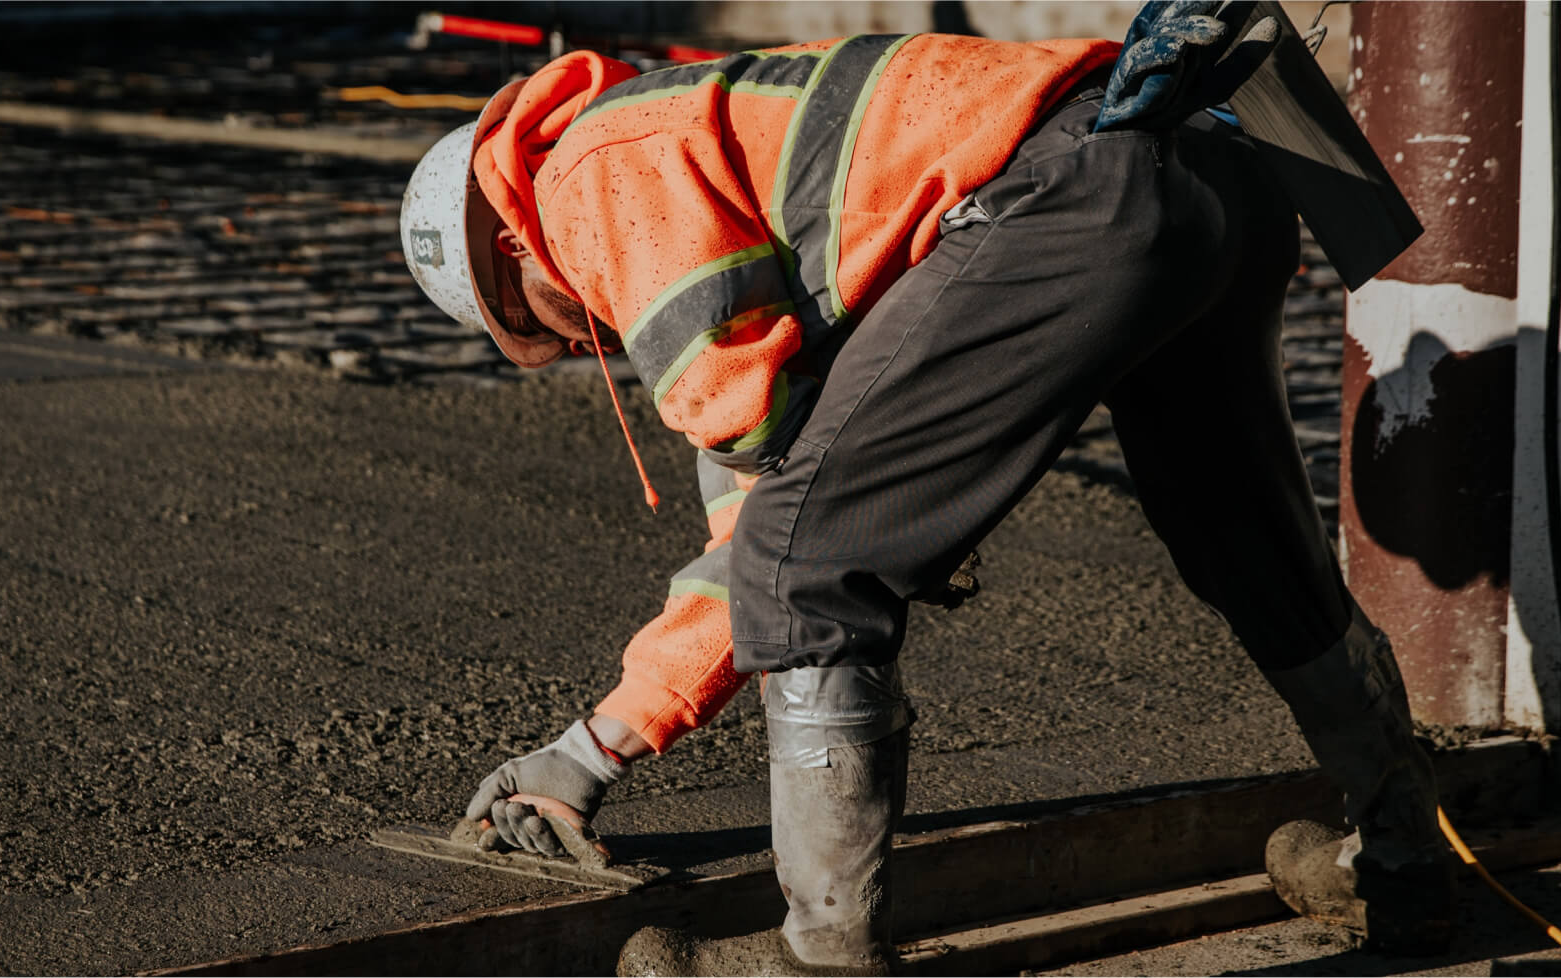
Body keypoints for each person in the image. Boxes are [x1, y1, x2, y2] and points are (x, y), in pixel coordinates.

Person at [399, 6, 1456, 973]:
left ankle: (825, 959)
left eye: (548, 323)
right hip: (1210, 172)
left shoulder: (591, 178)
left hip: (1071, 196)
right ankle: (1408, 858)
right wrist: (591, 755)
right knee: (1248, 546)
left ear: (510, 244)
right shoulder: (709, 163)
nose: (585, 337)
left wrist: (589, 750)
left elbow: (778, 539)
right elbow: (761, 500)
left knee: (805, 573)